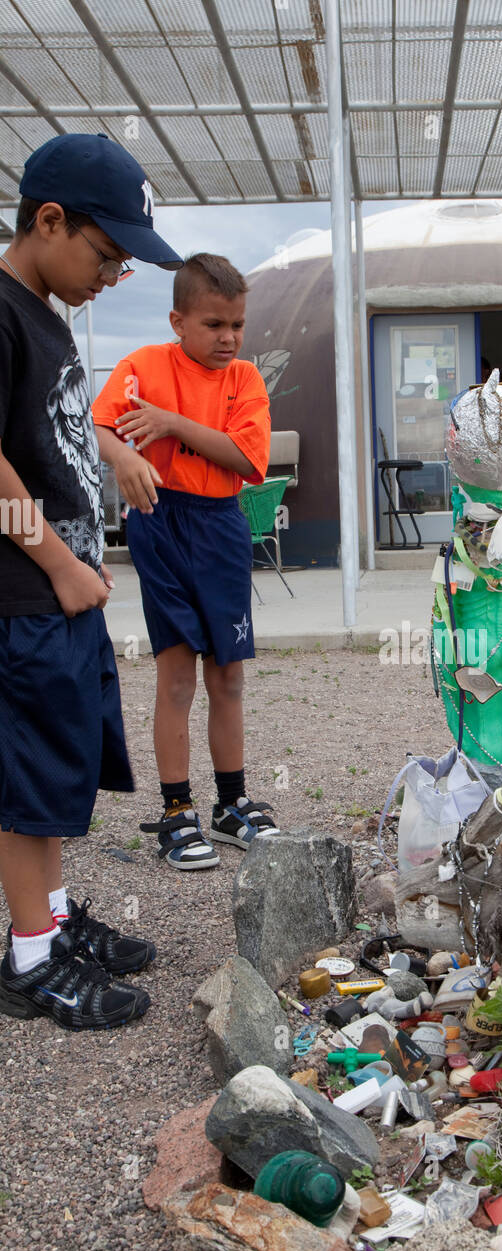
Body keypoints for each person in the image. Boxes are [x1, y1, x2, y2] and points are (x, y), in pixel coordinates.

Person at [0, 133, 182, 1030]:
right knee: (28, 780)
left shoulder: (48, 315)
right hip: (26, 595)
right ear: (48, 220)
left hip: (58, 596)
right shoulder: (0, 312)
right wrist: (60, 562)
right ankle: (30, 956)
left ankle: (55, 920)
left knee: (60, 769)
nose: (113, 277)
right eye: (106, 257)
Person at [92, 253, 279, 871]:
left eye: (237, 325)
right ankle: (177, 811)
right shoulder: (142, 367)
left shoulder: (245, 381)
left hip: (222, 526)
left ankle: (233, 804)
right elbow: (99, 425)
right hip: (160, 524)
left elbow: (243, 457)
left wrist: (171, 423)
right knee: (176, 675)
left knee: (228, 675)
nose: (227, 338)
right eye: (213, 325)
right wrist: (121, 456)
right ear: (178, 320)